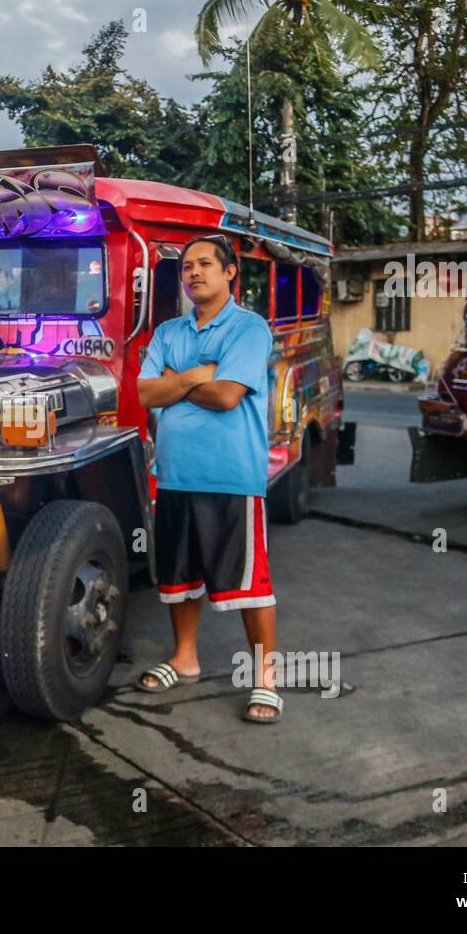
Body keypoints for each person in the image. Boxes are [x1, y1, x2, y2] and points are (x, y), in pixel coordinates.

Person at [135, 235, 282, 723]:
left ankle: (265, 677)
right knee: (181, 576)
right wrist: (198, 374)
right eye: (187, 266)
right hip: (175, 474)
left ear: (230, 272)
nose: (193, 272)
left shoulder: (249, 328)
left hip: (231, 475)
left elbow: (226, 397)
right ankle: (185, 657)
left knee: (248, 582)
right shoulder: (168, 331)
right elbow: (145, 393)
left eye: (204, 264)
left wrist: (175, 382)